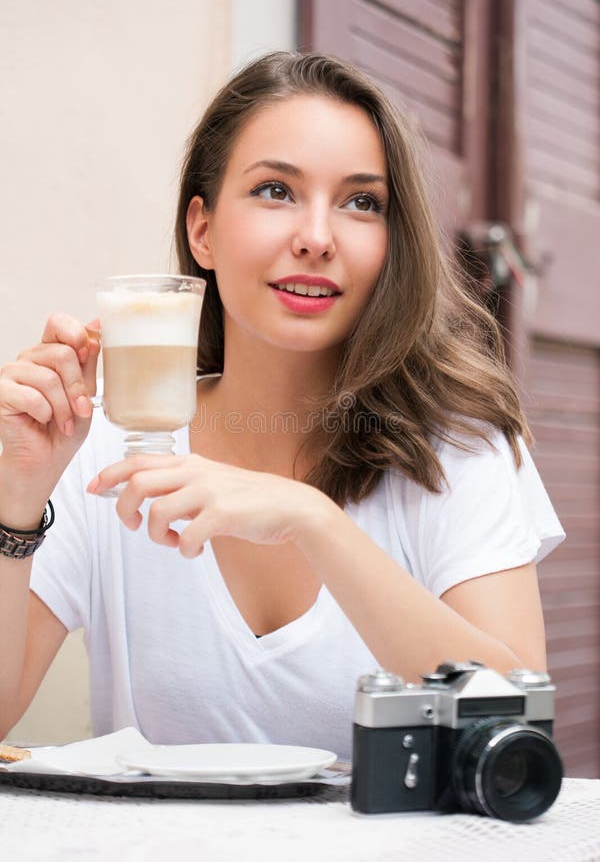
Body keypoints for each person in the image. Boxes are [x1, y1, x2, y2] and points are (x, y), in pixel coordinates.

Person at [0, 52, 564, 759]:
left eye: (361, 203)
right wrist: (17, 495)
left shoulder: (456, 447)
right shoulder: (108, 440)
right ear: (202, 230)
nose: (317, 238)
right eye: (276, 191)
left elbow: (515, 730)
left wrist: (314, 522)